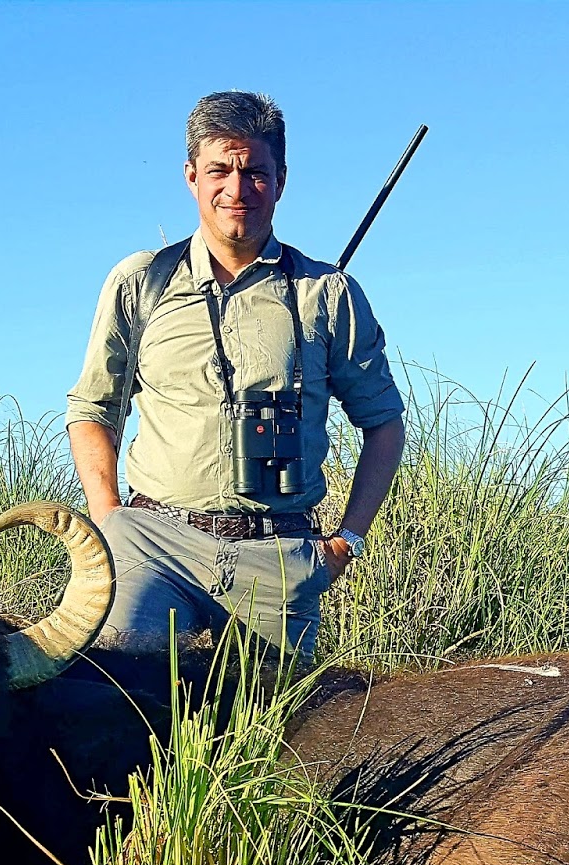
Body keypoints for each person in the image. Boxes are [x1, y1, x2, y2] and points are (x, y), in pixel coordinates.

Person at [65, 91, 406, 661]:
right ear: (191, 176)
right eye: (220, 169)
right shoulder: (139, 281)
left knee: (276, 735)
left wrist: (347, 539)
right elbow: (93, 408)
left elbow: (384, 424)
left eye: (256, 172)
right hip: (152, 543)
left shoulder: (327, 293)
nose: (238, 188)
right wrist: (107, 517)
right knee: (110, 698)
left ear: (281, 180)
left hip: (279, 554)